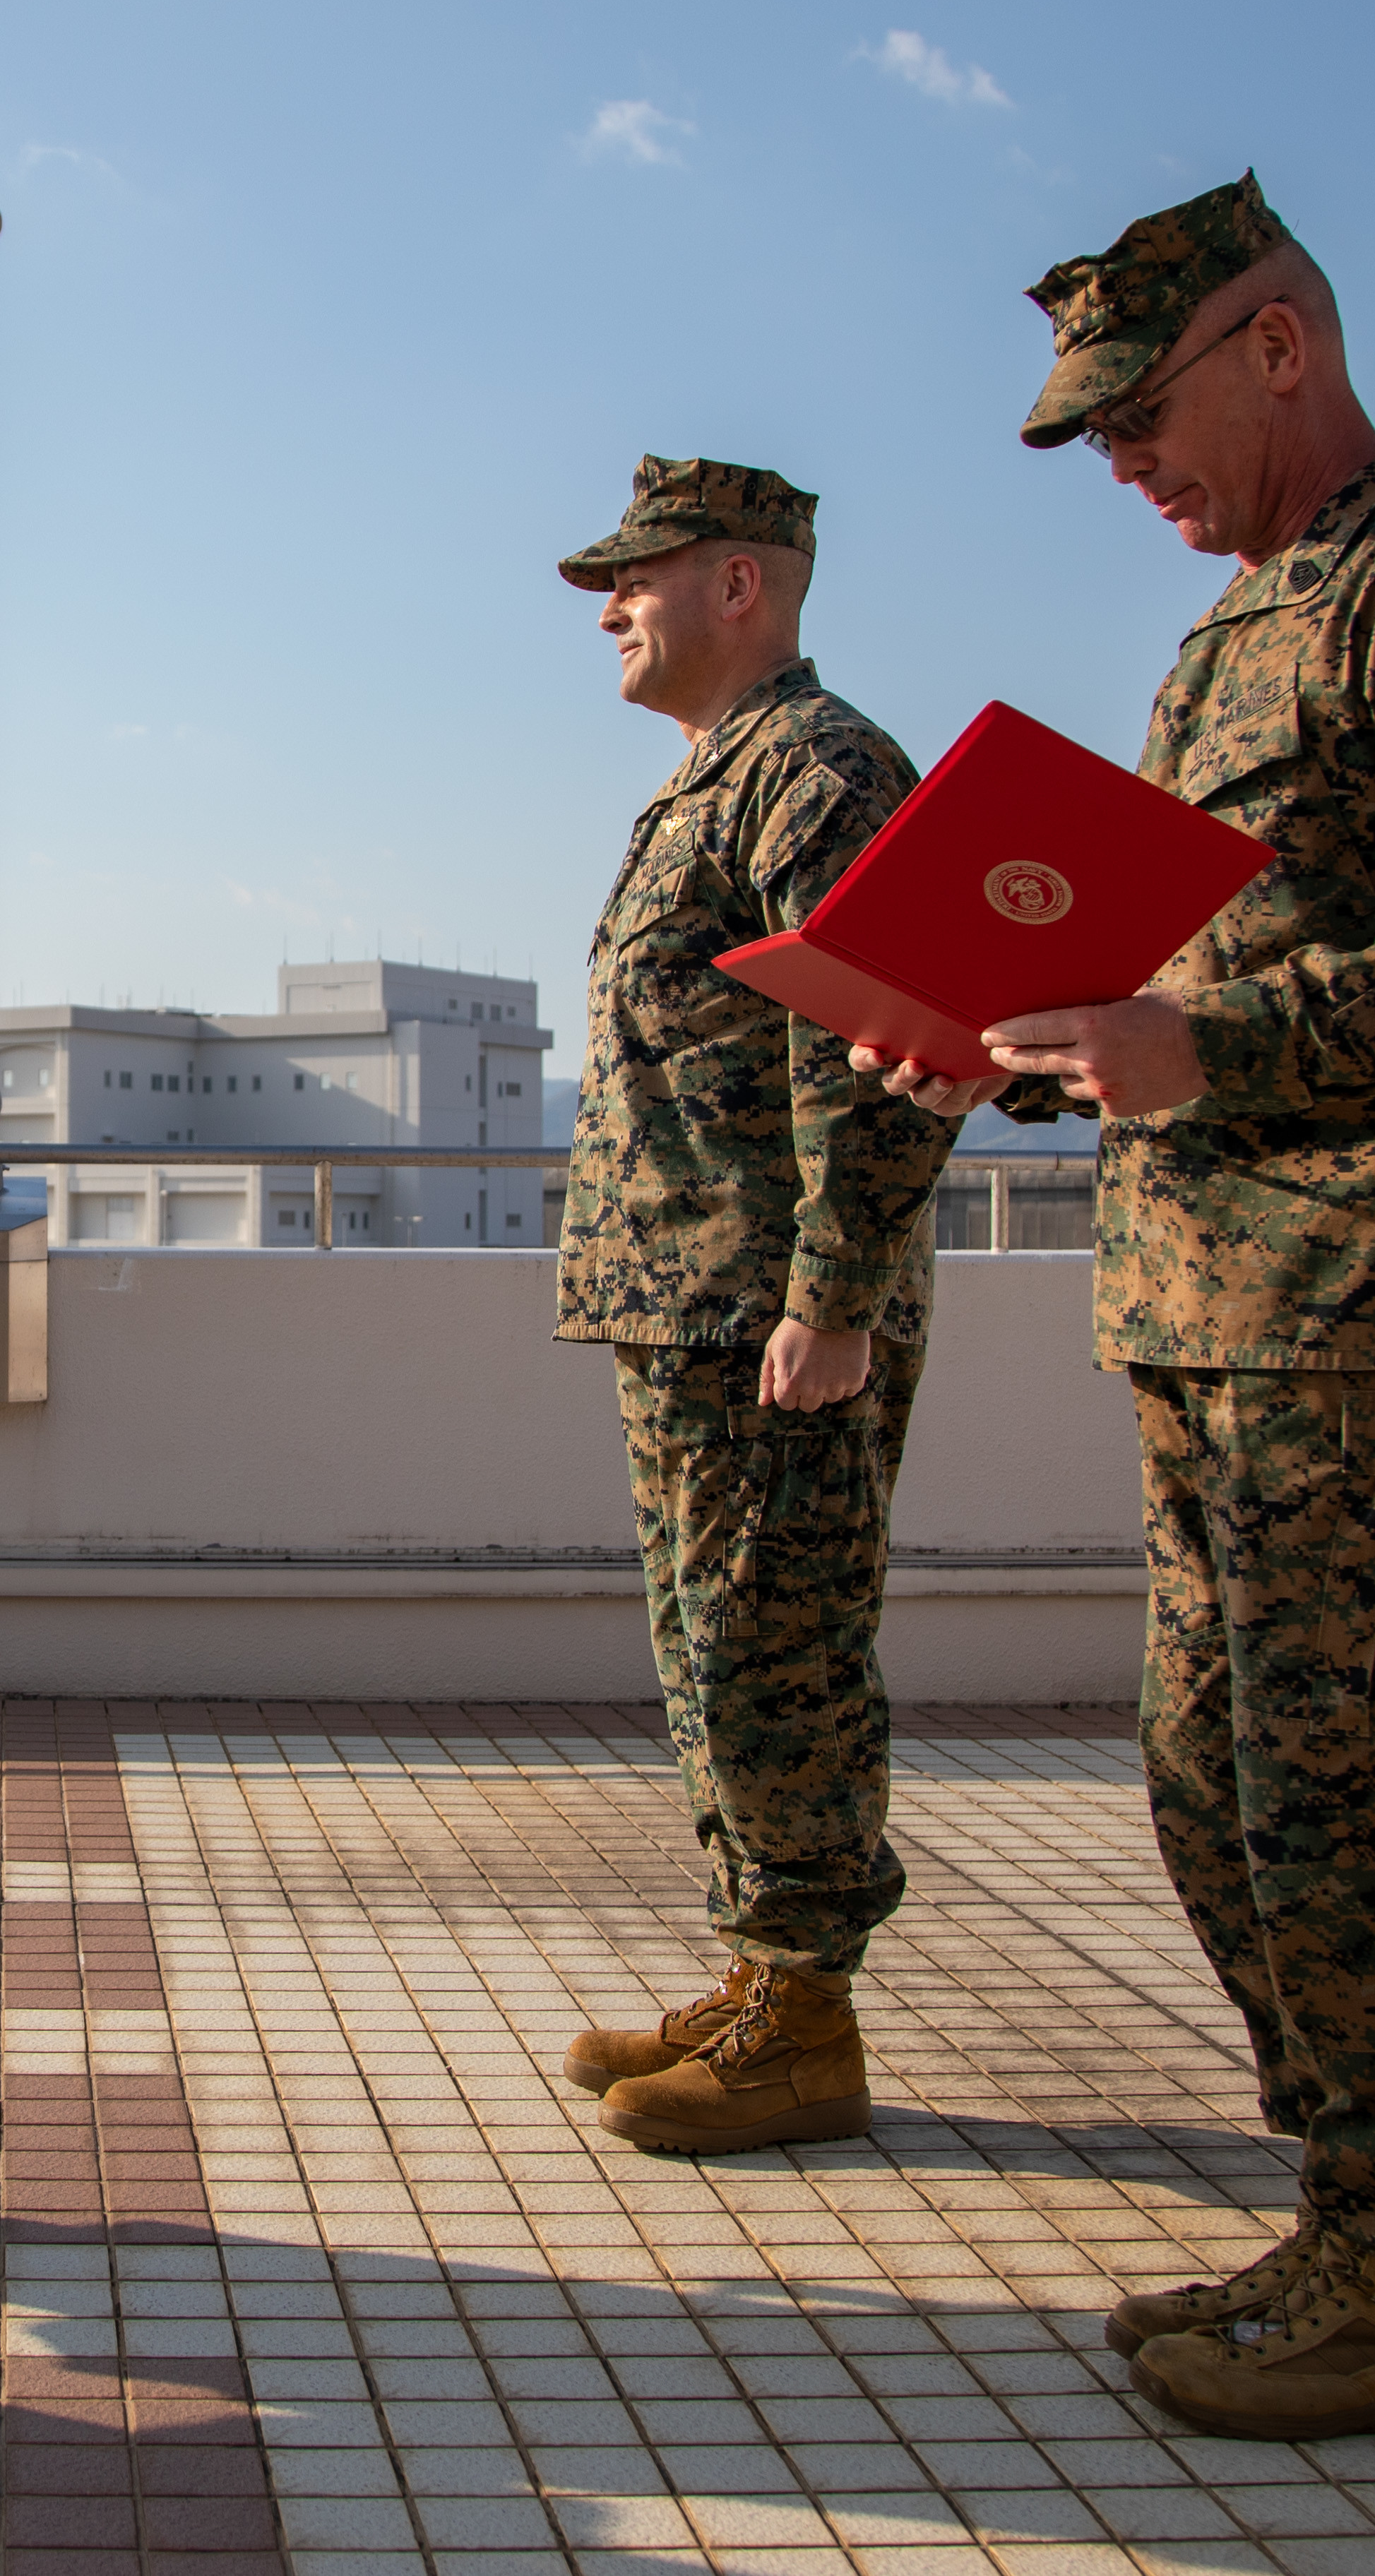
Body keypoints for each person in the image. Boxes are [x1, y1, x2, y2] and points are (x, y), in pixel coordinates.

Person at [865, 173, 1375, 2437]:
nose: (1122, 464)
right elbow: (1189, 976)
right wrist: (1005, 1034)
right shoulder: (1229, 638)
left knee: (1359, 1796)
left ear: (1279, 343)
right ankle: (1347, 2218)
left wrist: (1225, 1048)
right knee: (1217, 1790)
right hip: (1209, 1305)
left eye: (1140, 411)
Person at [544, 456, 955, 2158]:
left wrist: (835, 1293)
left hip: (769, 1311)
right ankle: (762, 1975)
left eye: (638, 576)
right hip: (692, 1303)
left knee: (776, 1651)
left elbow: (870, 1044)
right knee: (716, 1654)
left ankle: (805, 2019)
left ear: (744, 584)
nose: (608, 609)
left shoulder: (821, 770)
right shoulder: (717, 777)